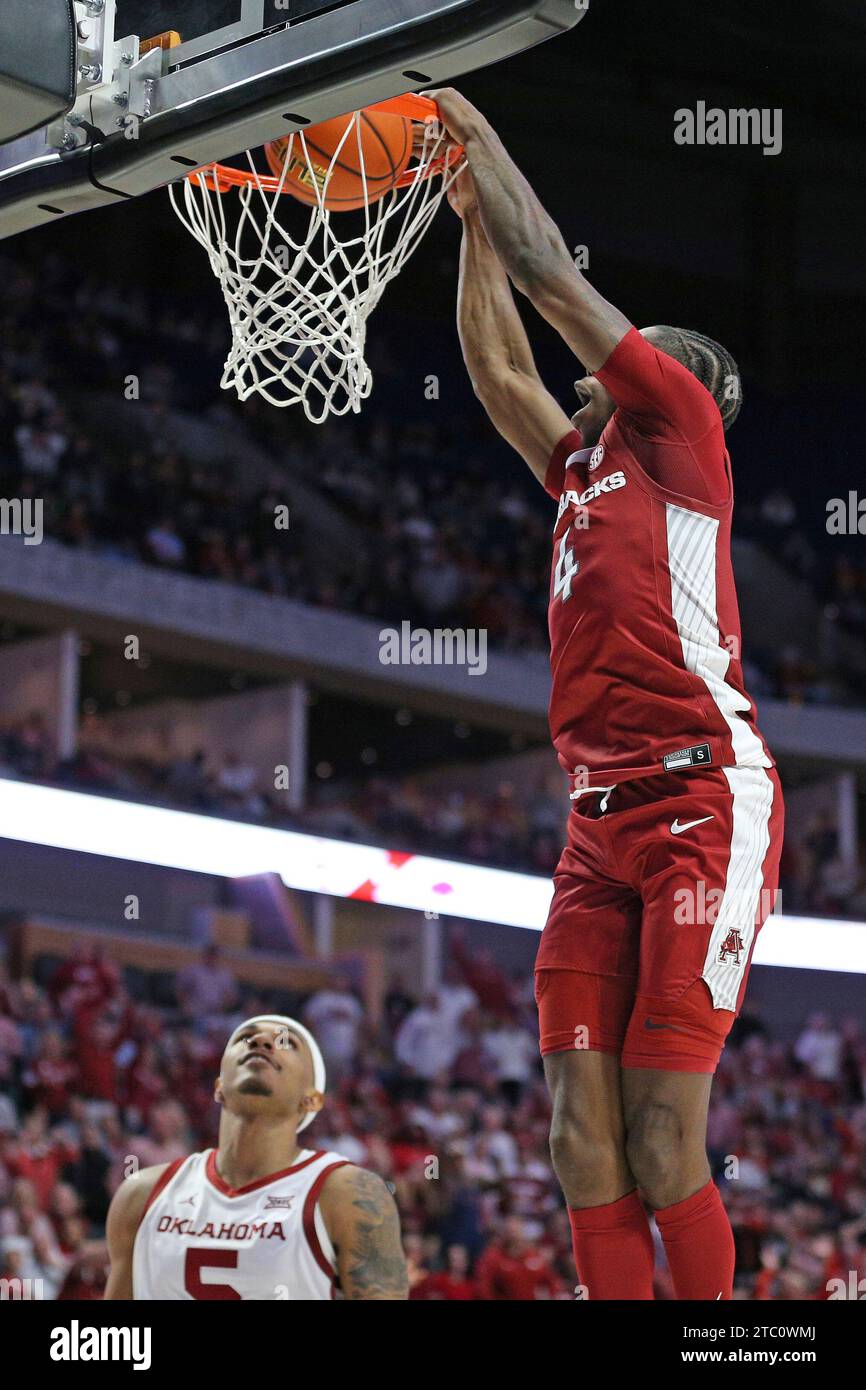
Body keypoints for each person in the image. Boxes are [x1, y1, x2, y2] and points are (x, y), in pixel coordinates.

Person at [432, 87, 784, 1301]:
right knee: (576, 1145)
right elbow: (492, 363)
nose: (613, 350)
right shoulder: (582, 466)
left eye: (642, 340)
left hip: (702, 796)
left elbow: (552, 286)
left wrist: (481, 139)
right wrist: (468, 215)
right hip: (596, 821)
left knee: (659, 1134)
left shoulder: (679, 425)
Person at [104, 1015, 407, 1300]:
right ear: (219, 1088)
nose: (261, 1042)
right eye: (247, 1039)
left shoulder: (347, 1193)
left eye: (286, 1042)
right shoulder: (142, 1194)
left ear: (311, 1099)